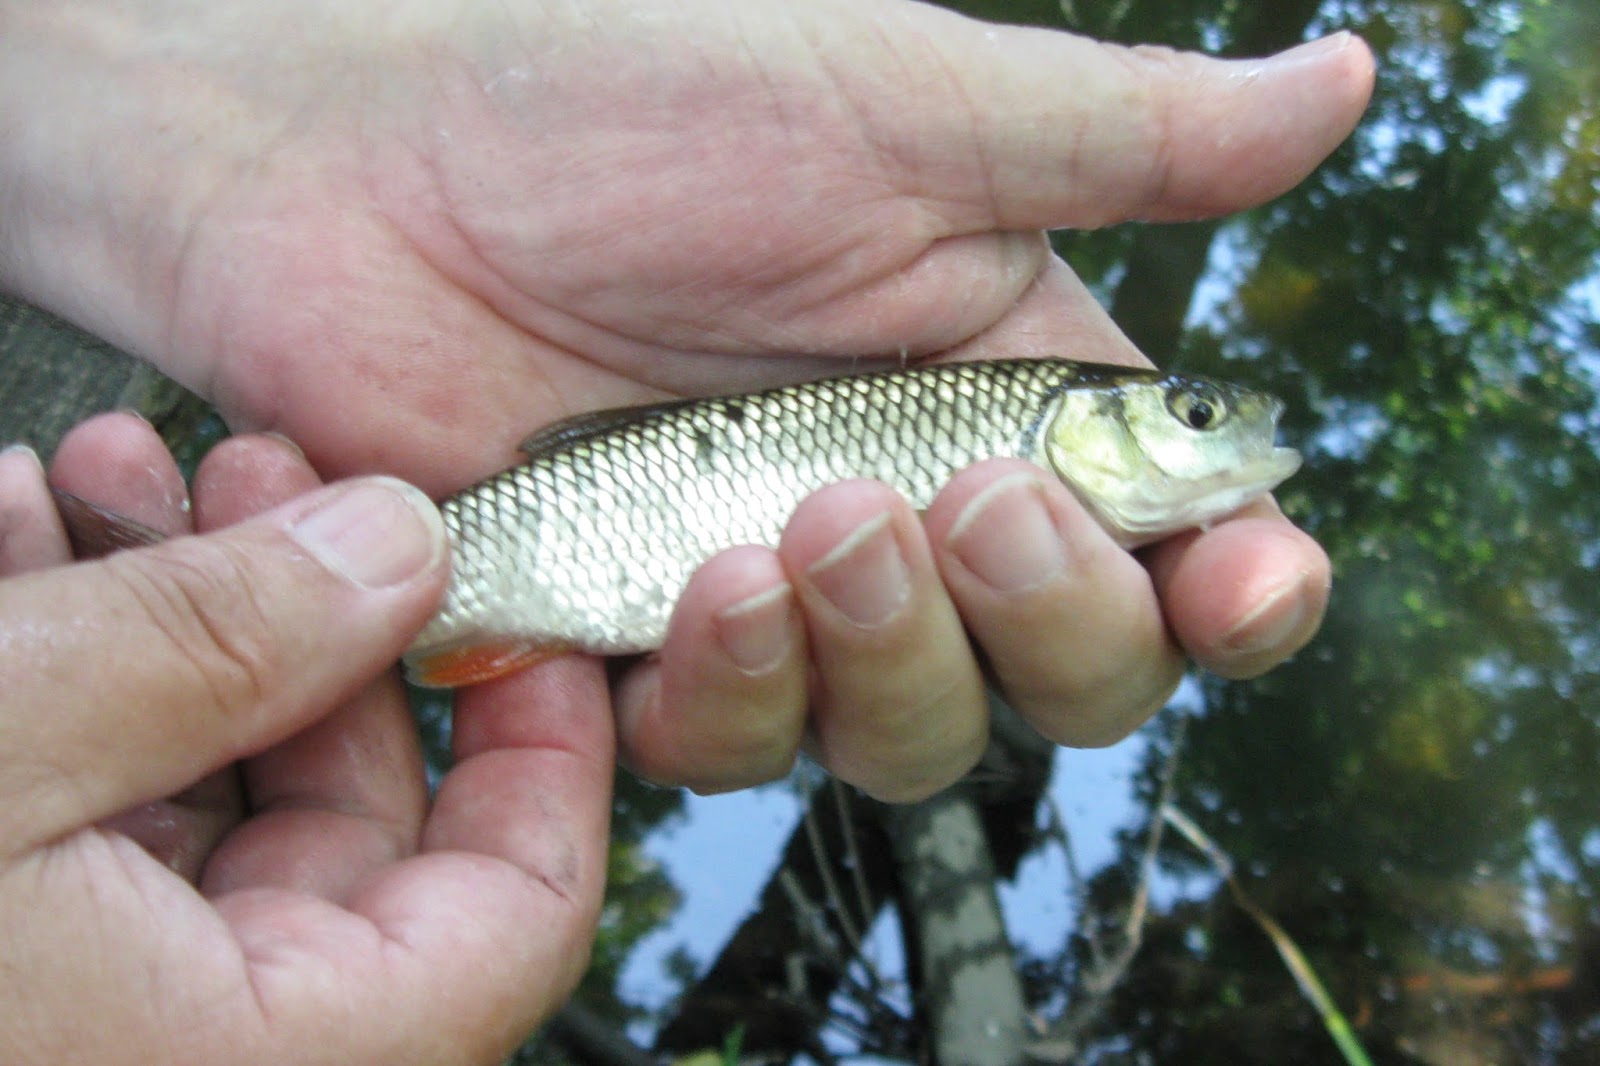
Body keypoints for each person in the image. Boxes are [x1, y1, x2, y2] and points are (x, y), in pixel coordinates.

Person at [0, 0, 1372, 1060]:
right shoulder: (1014, 421)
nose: (1219, 438)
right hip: (557, 529)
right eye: (1192, 416)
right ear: (1090, 425)